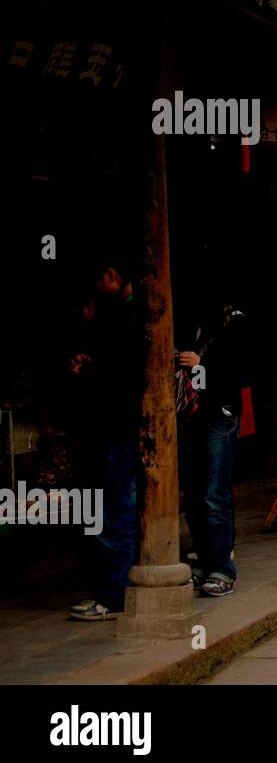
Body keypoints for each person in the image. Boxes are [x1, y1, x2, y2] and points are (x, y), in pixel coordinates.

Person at [68, 261, 145, 621]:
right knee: (118, 507)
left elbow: (122, 373)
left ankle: (114, 593)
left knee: (118, 509)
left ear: (112, 275)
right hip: (122, 426)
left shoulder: (131, 316)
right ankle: (116, 586)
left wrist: (92, 369)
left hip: (120, 426)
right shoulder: (129, 314)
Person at [177, 294, 250, 598]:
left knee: (214, 493)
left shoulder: (236, 324)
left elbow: (240, 374)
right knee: (193, 496)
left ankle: (222, 568)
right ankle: (205, 562)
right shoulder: (191, 326)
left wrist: (201, 364)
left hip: (220, 415)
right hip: (191, 417)